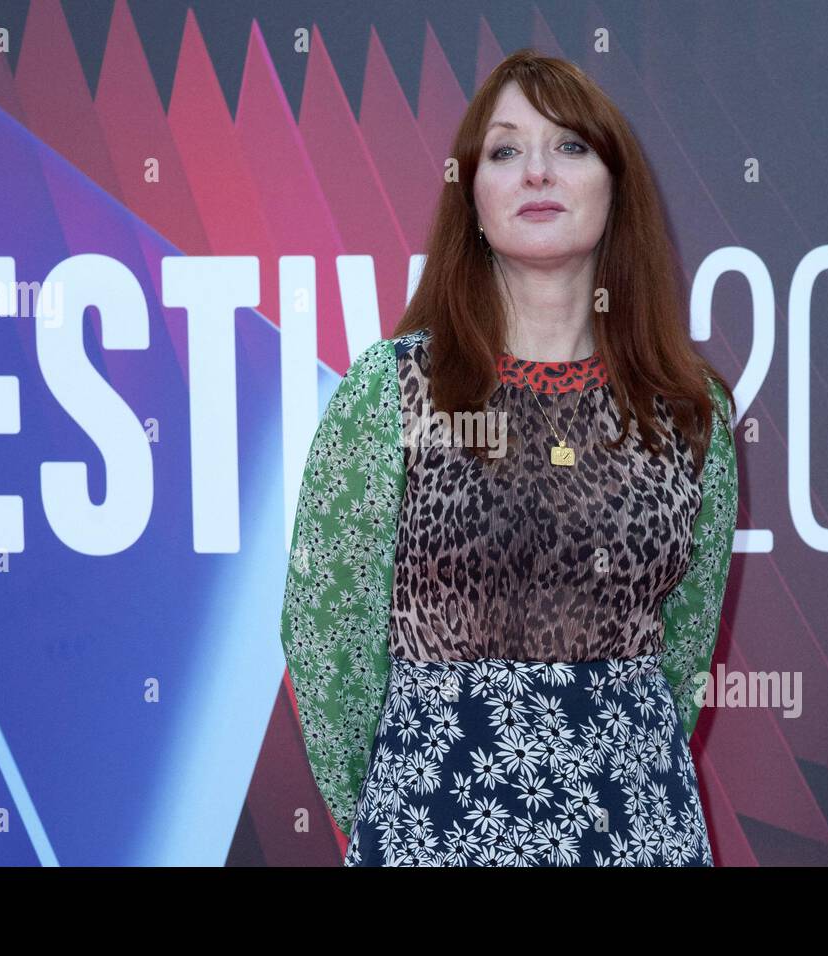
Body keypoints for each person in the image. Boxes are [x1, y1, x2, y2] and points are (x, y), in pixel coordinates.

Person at [279, 49, 739, 867]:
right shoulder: (393, 393)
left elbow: (686, 643)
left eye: (569, 146)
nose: (536, 172)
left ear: (615, 185)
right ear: (473, 197)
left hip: (636, 835)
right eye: (504, 150)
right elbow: (329, 638)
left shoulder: (689, 408)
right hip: (433, 829)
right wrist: (398, 806)